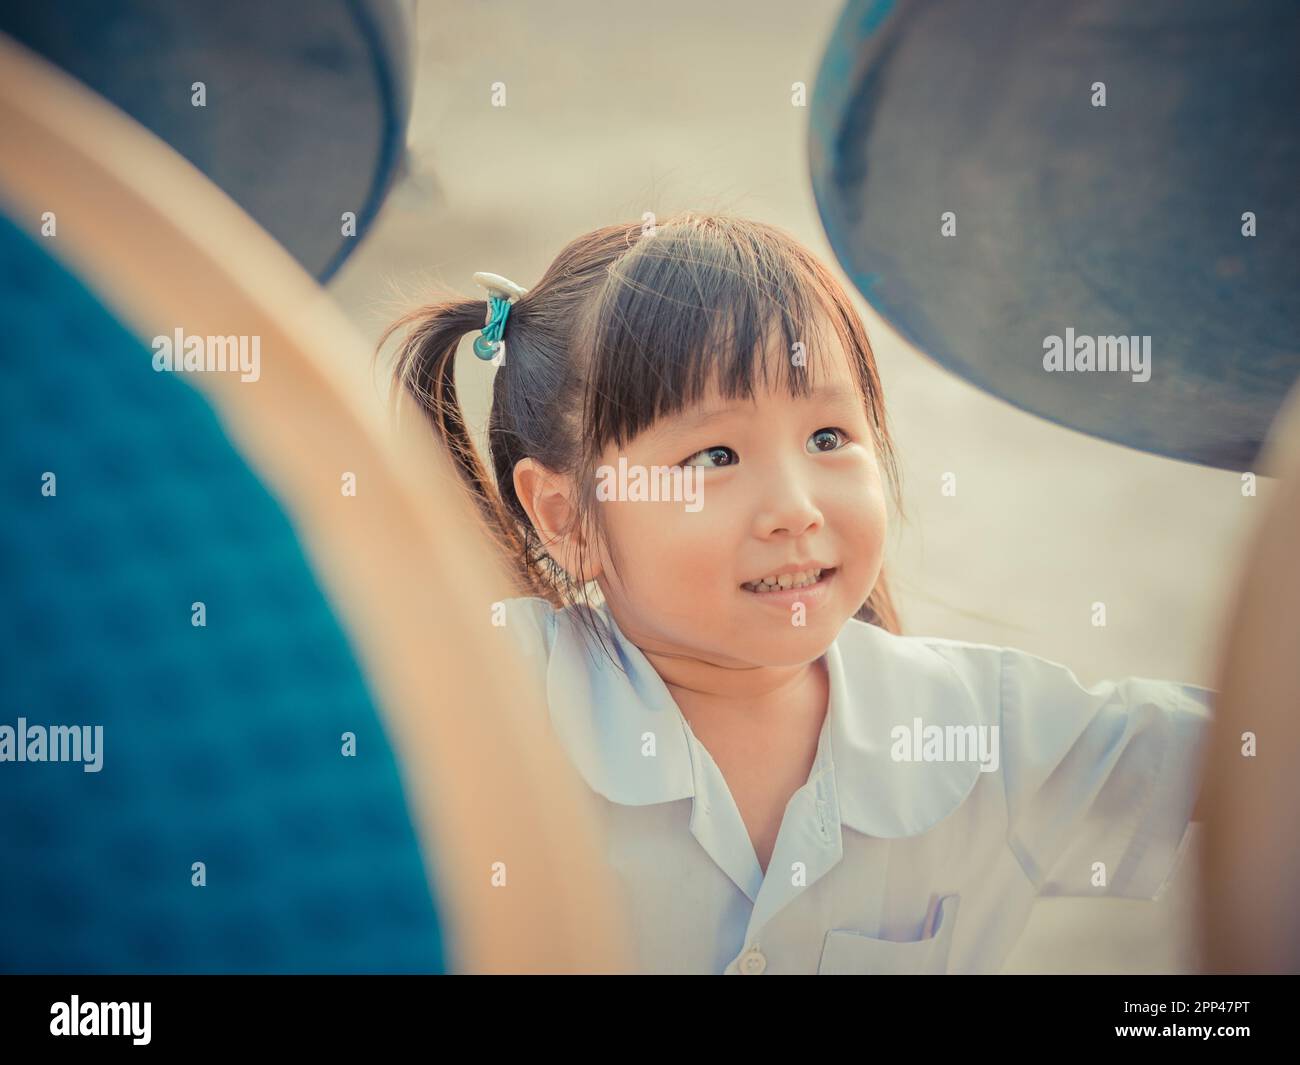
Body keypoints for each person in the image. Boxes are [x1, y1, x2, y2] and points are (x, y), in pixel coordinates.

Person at [378, 212, 1212, 974]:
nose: (794, 508)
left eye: (827, 436)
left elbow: (1236, 753)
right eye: (713, 458)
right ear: (568, 519)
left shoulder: (981, 727)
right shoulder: (495, 692)